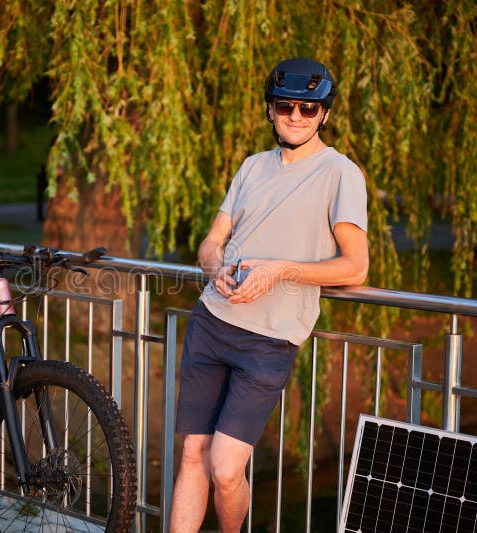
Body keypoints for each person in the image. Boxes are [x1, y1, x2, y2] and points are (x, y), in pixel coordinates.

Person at [169, 57, 369, 532]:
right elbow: (211, 241)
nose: (296, 116)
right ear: (270, 110)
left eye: (308, 108)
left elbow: (355, 266)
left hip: (269, 341)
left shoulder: (341, 173)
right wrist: (214, 267)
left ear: (325, 113)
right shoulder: (252, 166)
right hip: (212, 322)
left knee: (225, 466)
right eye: (286, 107)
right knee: (192, 454)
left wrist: (281, 270)